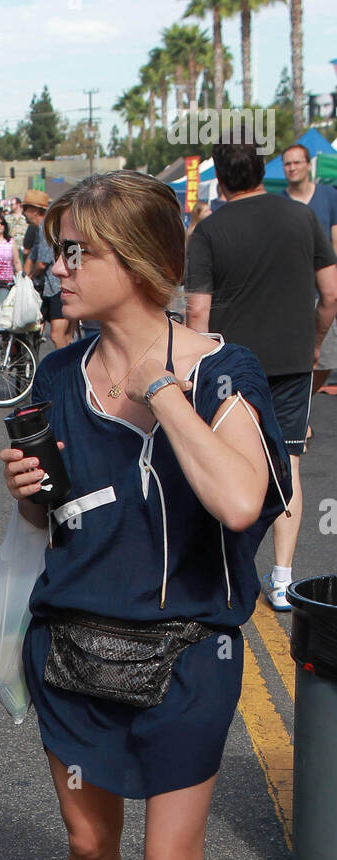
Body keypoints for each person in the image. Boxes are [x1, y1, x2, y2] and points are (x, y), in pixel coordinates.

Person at [2, 171, 291, 860]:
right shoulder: (54, 377)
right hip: (71, 651)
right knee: (87, 837)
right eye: (57, 251)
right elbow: (52, 529)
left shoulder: (224, 371)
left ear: (136, 262)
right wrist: (28, 495)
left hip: (187, 657)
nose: (57, 268)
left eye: (75, 252)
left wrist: (159, 378)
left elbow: (242, 500)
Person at [186, 143, 337, 611]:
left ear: (223, 182)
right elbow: (331, 294)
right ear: (262, 172)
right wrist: (313, 343)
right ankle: (283, 578)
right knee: (287, 462)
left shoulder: (209, 230)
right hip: (293, 362)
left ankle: (225, 572)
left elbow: (197, 310)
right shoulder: (301, 217)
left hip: (231, 365)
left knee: (222, 458)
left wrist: (194, 369)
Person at [282, 143, 337, 398]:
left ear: (308, 165)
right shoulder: (280, 202)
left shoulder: (328, 195)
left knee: (326, 357)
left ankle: (304, 403)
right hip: (293, 292)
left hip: (326, 288)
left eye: (296, 162)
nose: (292, 168)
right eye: (287, 164)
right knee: (294, 359)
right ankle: (299, 412)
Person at [23, 188, 72, 349]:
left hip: (56, 287)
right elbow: (33, 255)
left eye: (26, 208)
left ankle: (65, 372)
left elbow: (42, 262)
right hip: (54, 286)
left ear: (35, 211)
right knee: (65, 335)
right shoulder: (42, 227)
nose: (23, 212)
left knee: (57, 335)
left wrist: (29, 277)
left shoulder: (45, 228)